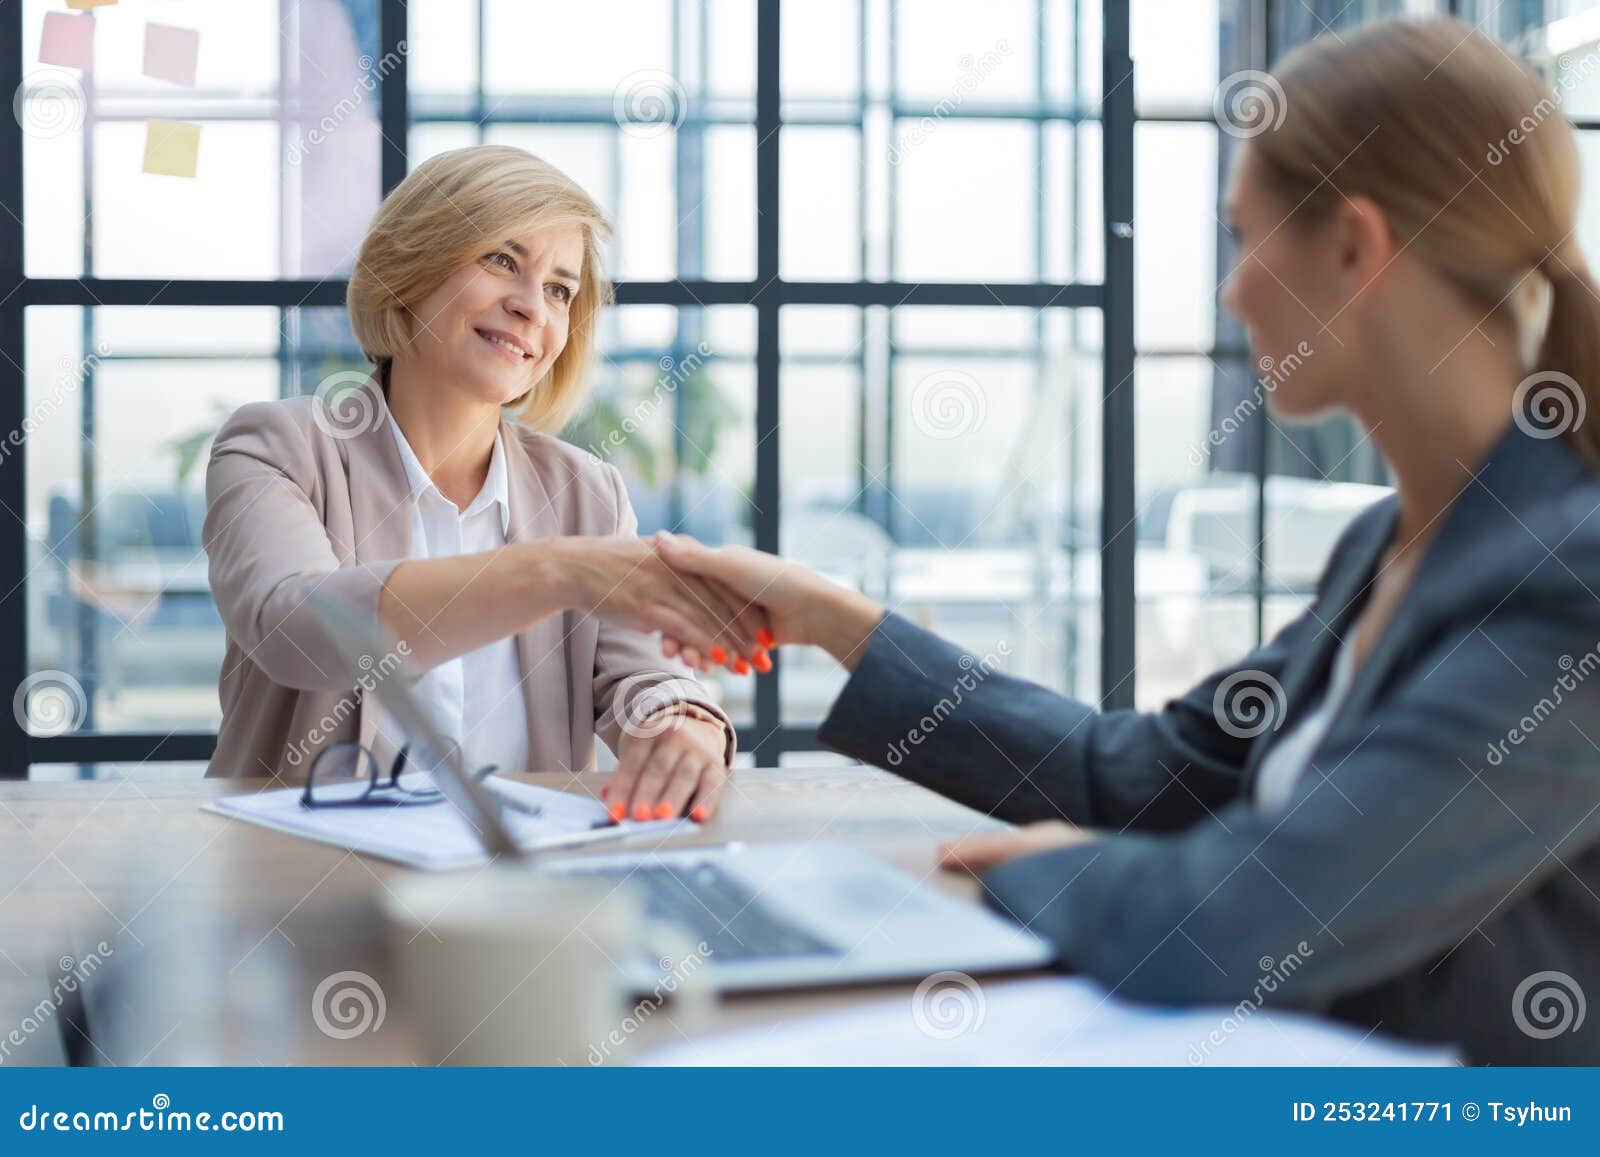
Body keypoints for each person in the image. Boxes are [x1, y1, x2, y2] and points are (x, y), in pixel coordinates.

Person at [638, 17, 1600, 1063]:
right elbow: (1153, 773)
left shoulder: (1569, 581)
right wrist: (832, 617)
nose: (1231, 291)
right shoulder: (1389, 542)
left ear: (1355, 247)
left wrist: (1030, 870)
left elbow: (1240, 922)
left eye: (1243, 238)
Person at [203, 146, 770, 823]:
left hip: (521, 898)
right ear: (410, 270)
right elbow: (296, 627)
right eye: (502, 260)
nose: (533, 307)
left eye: (560, 289)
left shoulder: (585, 491)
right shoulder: (277, 447)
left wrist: (682, 721)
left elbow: (642, 672)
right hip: (301, 887)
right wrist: (556, 571)